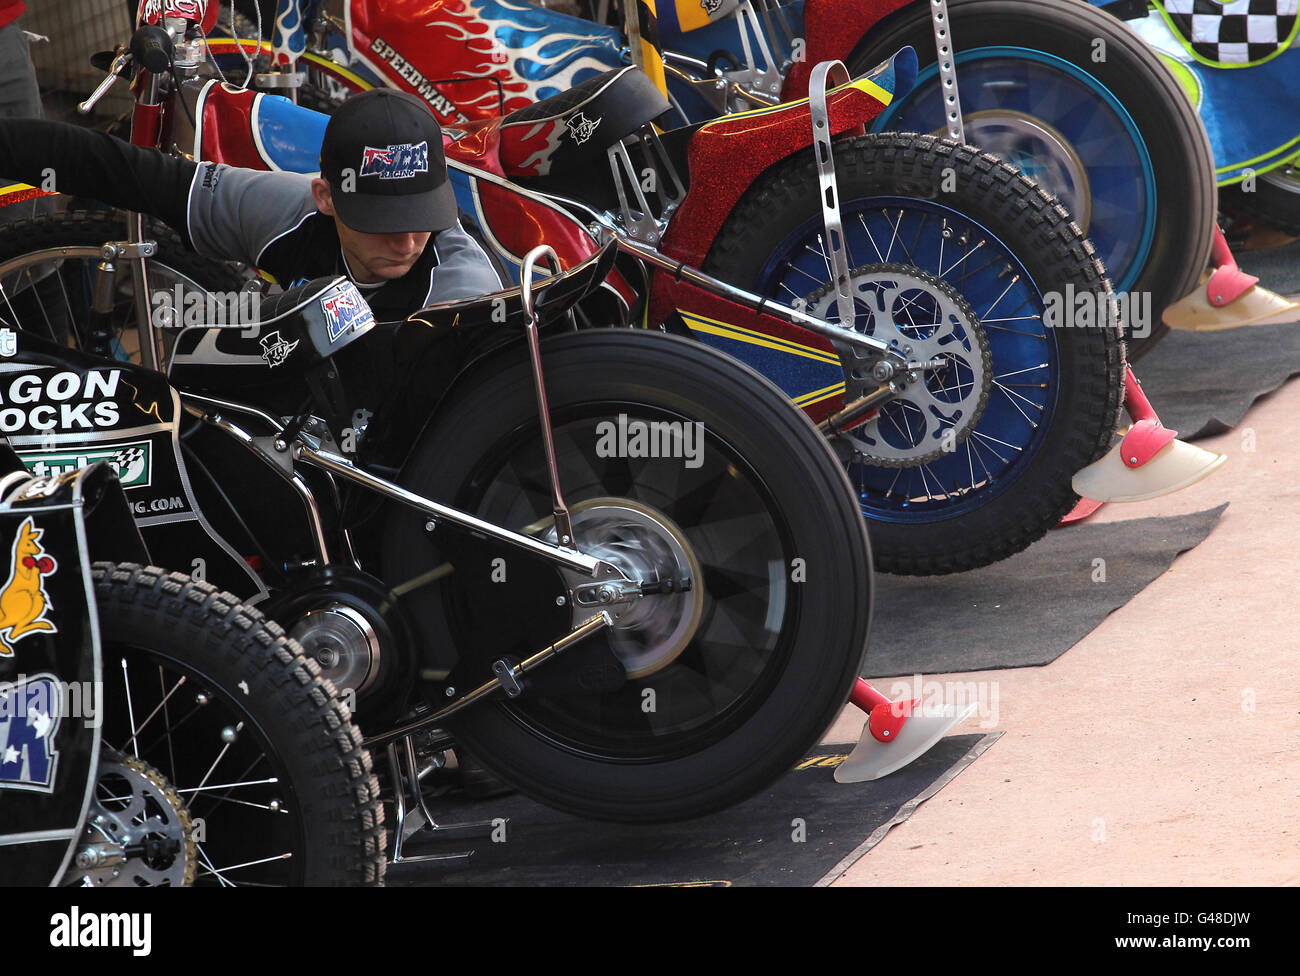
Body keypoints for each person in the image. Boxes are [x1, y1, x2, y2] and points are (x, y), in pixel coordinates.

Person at [0, 87, 502, 315]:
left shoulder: (468, 292)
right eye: (383, 219)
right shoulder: (290, 211)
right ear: (325, 197)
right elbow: (134, 175)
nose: (409, 239)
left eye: (422, 215)